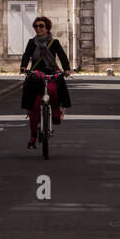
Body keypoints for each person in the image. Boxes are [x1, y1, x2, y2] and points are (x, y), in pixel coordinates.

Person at [19, 16, 72, 148]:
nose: (38, 28)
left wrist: (66, 69)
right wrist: (24, 67)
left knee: (53, 90)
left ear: (47, 28)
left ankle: (55, 111)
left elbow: (62, 56)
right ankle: (33, 136)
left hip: (51, 72)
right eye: (36, 26)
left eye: (41, 26)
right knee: (34, 106)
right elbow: (26, 55)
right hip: (36, 75)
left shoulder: (54, 42)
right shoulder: (32, 42)